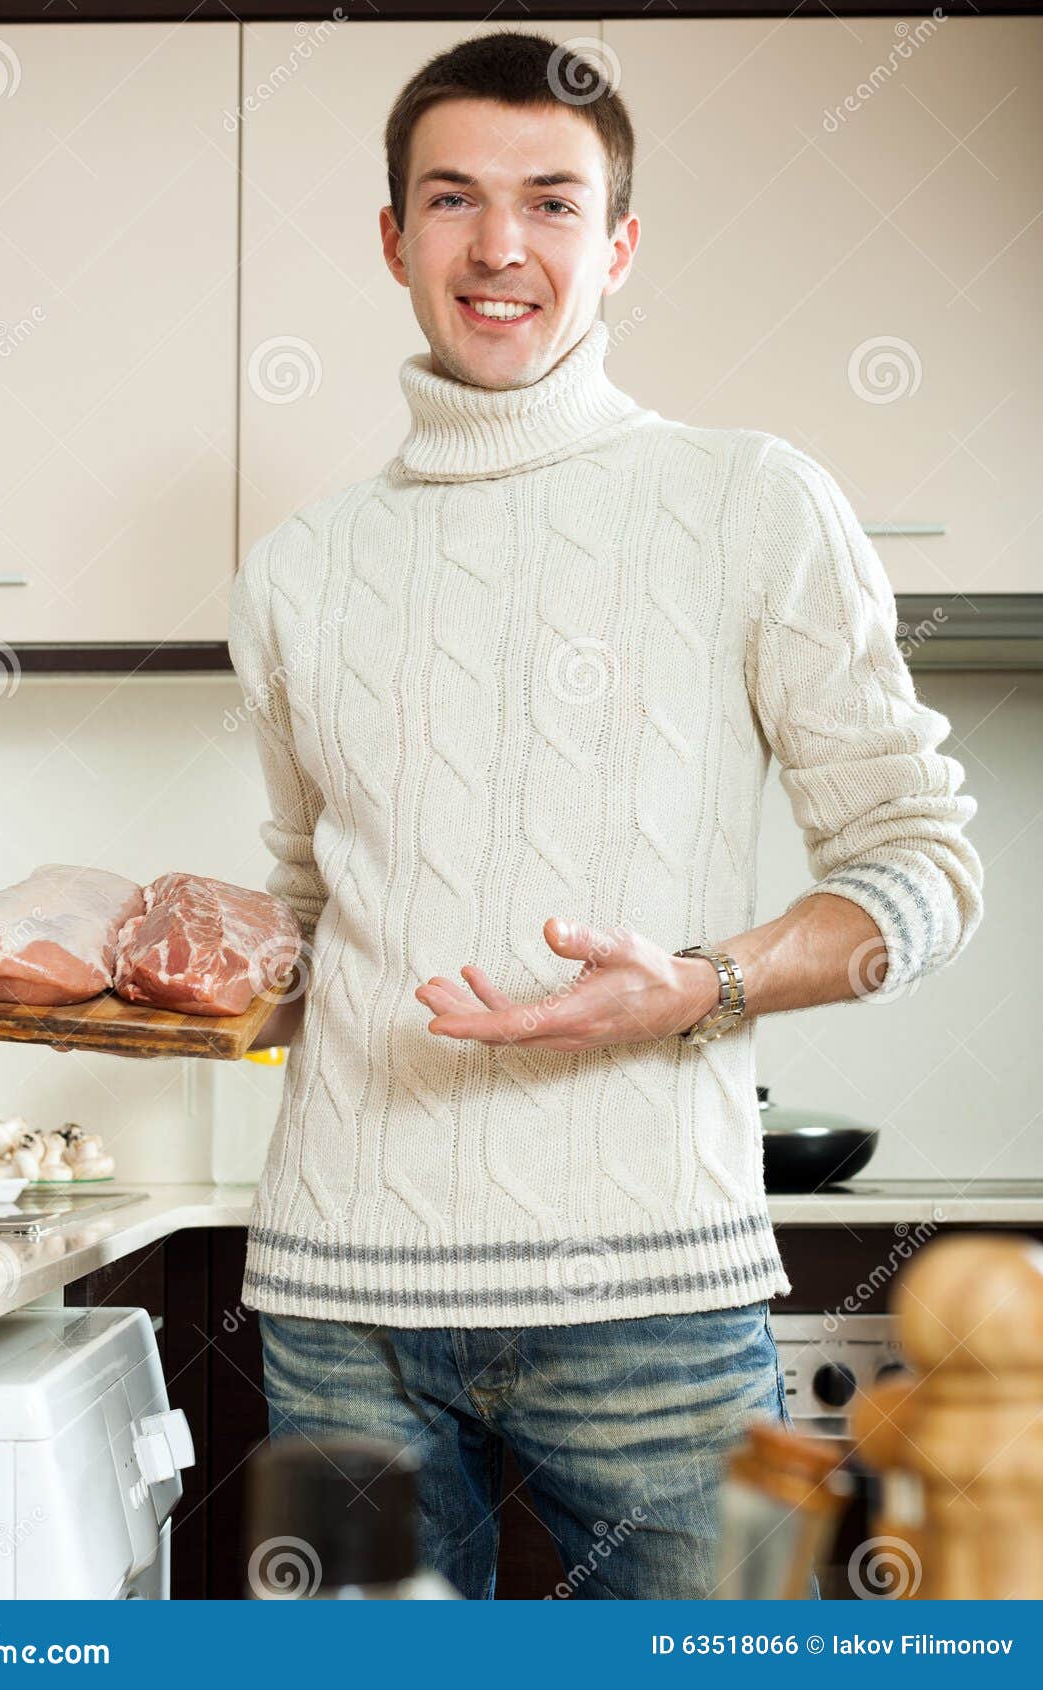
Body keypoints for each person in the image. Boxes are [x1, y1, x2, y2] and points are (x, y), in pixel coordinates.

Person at [226, 30, 982, 1600]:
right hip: (338, 1299)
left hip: (654, 1293)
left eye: (552, 202)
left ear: (617, 246)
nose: (500, 245)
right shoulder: (296, 567)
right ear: (393, 238)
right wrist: (191, 965)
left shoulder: (749, 502)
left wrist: (702, 983)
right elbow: (308, 904)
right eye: (452, 200)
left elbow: (921, 864)